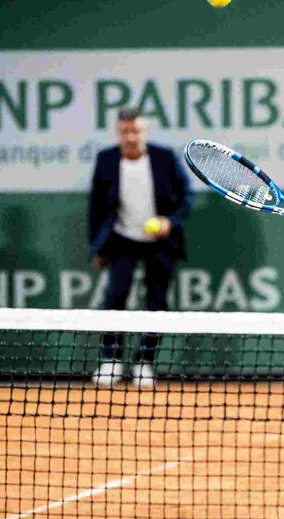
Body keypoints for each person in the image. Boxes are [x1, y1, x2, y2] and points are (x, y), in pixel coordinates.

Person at [87, 107, 191, 387]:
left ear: (144, 131)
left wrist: (170, 221)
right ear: (118, 132)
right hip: (121, 239)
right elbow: (96, 207)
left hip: (159, 242)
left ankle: (145, 362)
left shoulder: (164, 158)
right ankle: (111, 361)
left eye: (136, 130)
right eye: (125, 131)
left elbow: (186, 197)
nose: (130, 136)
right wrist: (96, 247)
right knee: (115, 298)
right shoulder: (106, 160)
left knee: (156, 303)